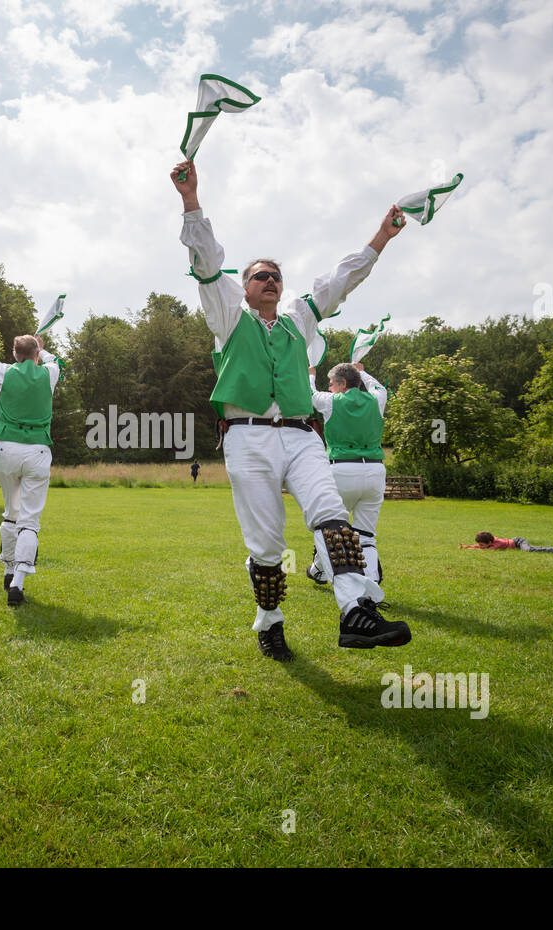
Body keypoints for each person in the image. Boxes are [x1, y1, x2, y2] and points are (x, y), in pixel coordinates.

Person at [171, 158, 411, 661]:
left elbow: (342, 277)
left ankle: (355, 612)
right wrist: (191, 200)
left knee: (330, 515)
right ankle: (270, 619)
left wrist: (382, 237)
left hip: (303, 435)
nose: (271, 280)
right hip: (247, 435)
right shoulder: (226, 316)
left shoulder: (300, 319)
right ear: (245, 285)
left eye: (276, 275)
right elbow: (207, 261)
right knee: (267, 545)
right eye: (261, 275)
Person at [0, 331, 61, 606]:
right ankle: (17, 582)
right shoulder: (49, 373)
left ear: (15, 354)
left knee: (11, 512)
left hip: (6, 450)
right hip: (37, 450)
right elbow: (58, 361)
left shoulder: (6, 372)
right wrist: (43, 348)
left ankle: (7, 569)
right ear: (37, 354)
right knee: (29, 521)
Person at [304, 361, 388, 587]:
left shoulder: (331, 402)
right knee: (366, 536)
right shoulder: (377, 400)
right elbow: (380, 387)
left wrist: (311, 375)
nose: (329, 387)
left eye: (331, 383)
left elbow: (309, 393)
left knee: (332, 529)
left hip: (341, 470)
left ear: (342, 384)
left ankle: (320, 570)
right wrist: (362, 370)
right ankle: (371, 583)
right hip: (374, 470)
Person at [461, 531, 553, 552]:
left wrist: (470, 549)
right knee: (531, 549)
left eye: (482, 545)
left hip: (518, 542)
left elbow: (485, 551)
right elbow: (479, 546)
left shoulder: (497, 544)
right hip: (515, 540)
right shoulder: (490, 542)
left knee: (530, 550)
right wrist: (467, 546)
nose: (480, 546)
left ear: (489, 543)